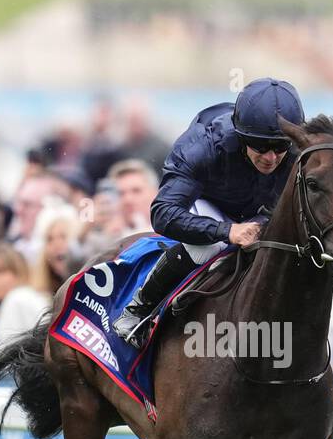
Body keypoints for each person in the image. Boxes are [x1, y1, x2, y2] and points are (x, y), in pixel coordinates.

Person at [111, 77, 305, 346]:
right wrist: (227, 231)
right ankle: (138, 310)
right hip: (207, 205)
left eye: (280, 148)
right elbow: (163, 213)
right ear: (242, 137)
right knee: (207, 248)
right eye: (260, 147)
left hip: (259, 212)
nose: (271, 158)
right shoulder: (202, 147)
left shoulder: (301, 150)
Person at [0, 244, 49, 358]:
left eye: (0, 272)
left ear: (19, 273)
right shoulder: (11, 302)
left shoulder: (18, 298)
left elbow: (4, 360)